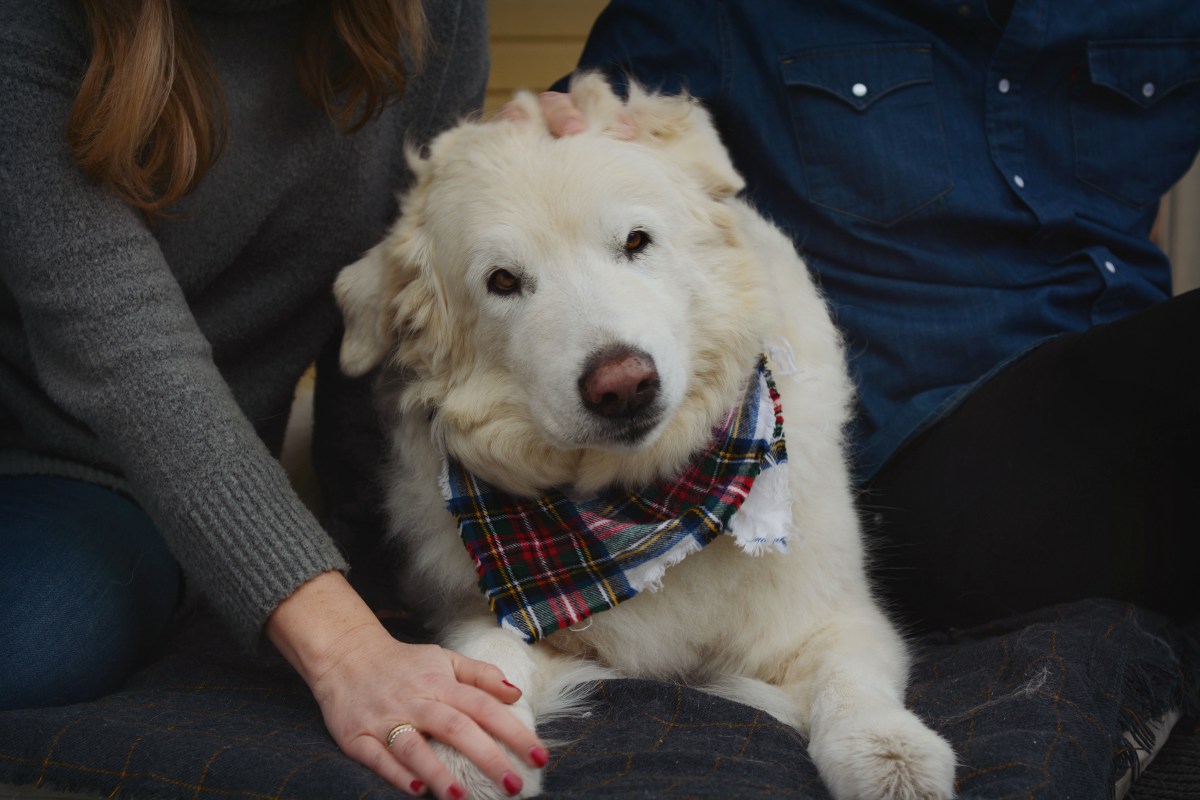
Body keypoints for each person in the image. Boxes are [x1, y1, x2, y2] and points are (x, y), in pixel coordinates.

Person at [0, 2, 548, 798]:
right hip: (54, 443)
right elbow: (126, 354)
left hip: (146, 478)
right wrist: (346, 650)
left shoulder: (437, 17)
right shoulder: (31, 26)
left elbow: (382, 313)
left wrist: (376, 559)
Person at [545, 0, 1200, 631]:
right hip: (911, 462)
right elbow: (554, 169)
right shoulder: (724, 12)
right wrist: (545, 136)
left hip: (1134, 424)